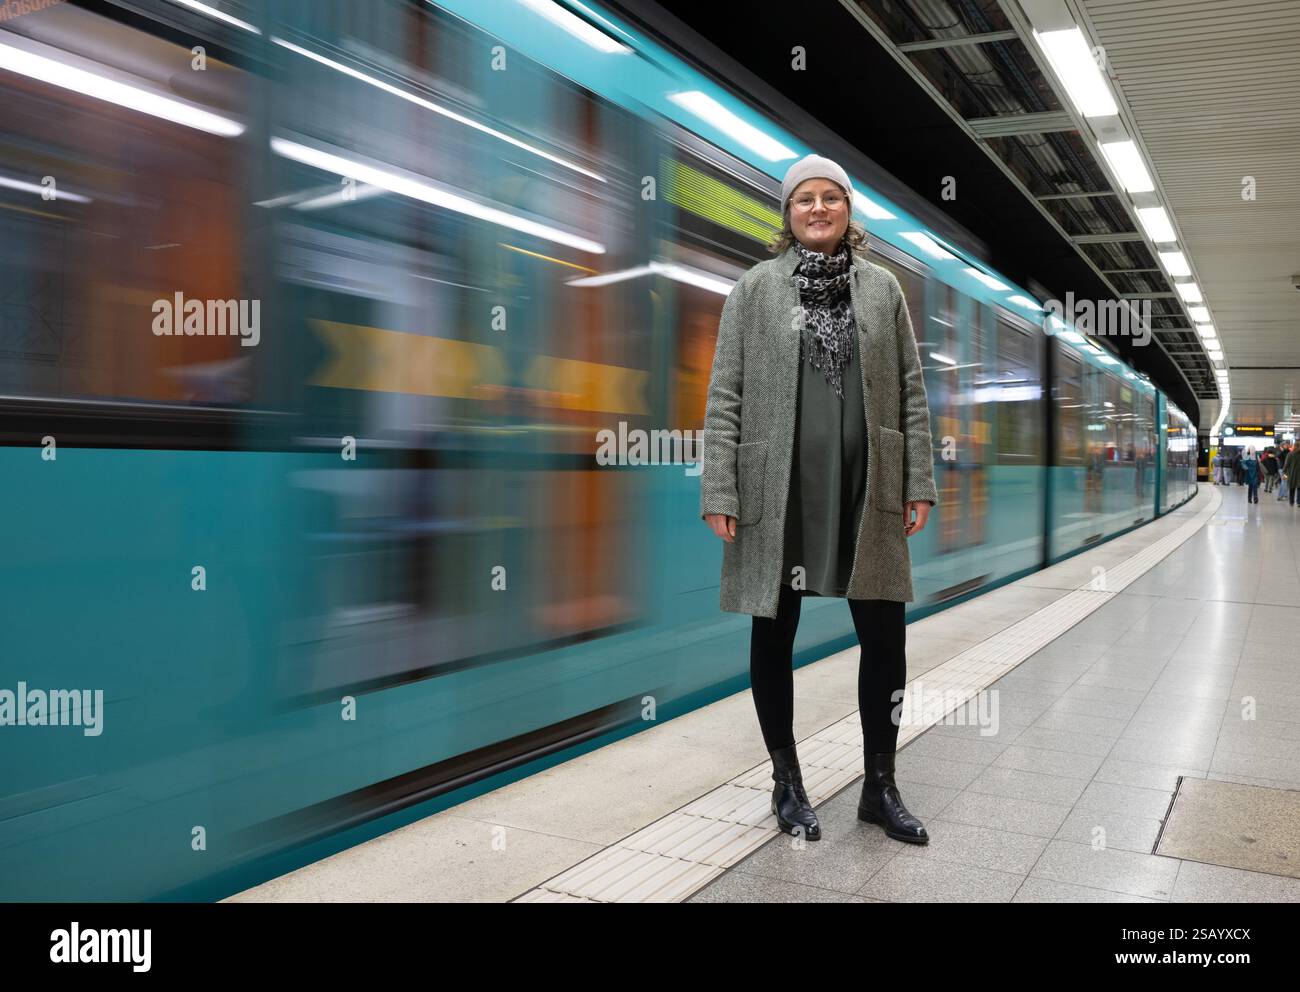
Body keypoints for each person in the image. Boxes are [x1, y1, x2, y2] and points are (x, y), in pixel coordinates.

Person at [700, 153, 938, 846]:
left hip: (867, 490)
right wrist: (721, 486)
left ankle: (880, 787)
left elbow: (911, 392)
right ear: (787, 212)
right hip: (778, 492)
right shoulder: (754, 290)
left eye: (831, 197)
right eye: (805, 198)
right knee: (773, 634)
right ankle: (787, 782)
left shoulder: (883, 289)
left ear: (848, 211)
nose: (818, 208)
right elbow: (725, 395)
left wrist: (918, 479)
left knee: (885, 640)